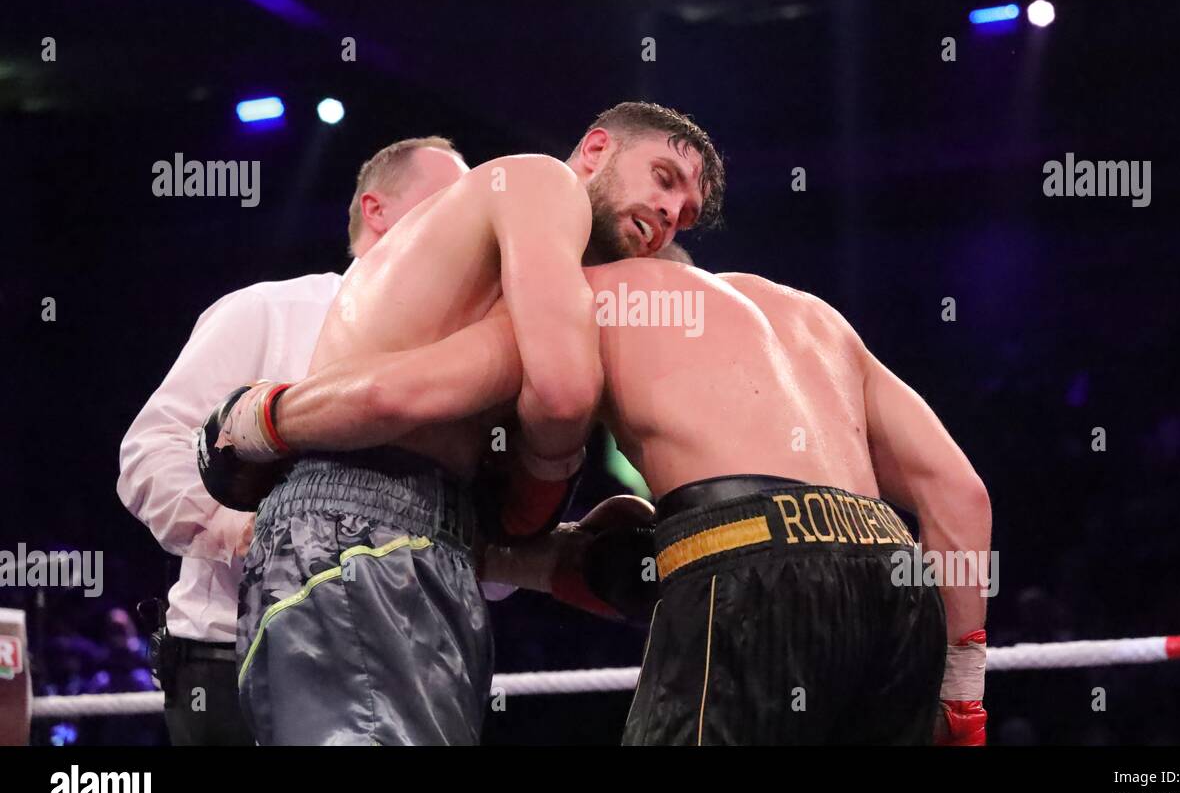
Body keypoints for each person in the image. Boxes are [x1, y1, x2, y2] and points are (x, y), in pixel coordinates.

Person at [213, 255, 992, 745]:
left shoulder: (589, 297)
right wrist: (962, 698)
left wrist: (256, 420)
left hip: (748, 565)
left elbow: (403, 390)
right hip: (895, 578)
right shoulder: (808, 313)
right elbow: (960, 493)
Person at [200, 102, 725, 745]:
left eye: (688, 213)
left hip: (420, 544)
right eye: (664, 177)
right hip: (358, 530)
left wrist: (548, 558)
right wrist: (263, 422)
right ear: (595, 150)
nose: (673, 212)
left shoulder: (544, 283)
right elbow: (559, 397)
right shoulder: (540, 182)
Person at [117, 135, 468, 745]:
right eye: (446, 204)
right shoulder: (269, 311)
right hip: (235, 658)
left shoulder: (461, 359)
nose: (467, 225)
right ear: (375, 209)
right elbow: (150, 453)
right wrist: (255, 536)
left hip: (408, 665)